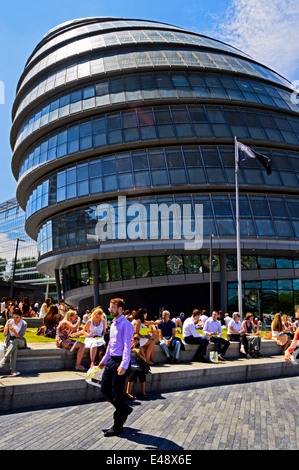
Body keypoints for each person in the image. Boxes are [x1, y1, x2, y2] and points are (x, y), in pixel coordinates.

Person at [99, 298, 134, 437]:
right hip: (111, 361)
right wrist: (104, 360)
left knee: (117, 394)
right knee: (104, 389)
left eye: (113, 308)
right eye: (110, 307)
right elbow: (110, 346)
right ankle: (124, 409)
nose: (110, 310)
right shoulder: (113, 324)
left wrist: (124, 365)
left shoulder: (126, 325)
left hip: (120, 362)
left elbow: (127, 347)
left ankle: (117, 426)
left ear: (120, 309)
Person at [0, 307, 27, 376]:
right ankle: (13, 370)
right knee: (14, 347)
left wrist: (14, 331)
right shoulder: (9, 321)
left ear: (21, 317)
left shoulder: (24, 324)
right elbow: (4, 335)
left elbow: (20, 336)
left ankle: (4, 358)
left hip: (20, 341)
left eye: (17, 317)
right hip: (10, 340)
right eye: (13, 317)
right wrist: (6, 328)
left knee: (16, 341)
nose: (15, 319)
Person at [126, 333, 149, 400]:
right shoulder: (127, 345)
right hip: (128, 364)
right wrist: (130, 348)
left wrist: (138, 354)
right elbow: (123, 355)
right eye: (135, 338)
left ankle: (143, 391)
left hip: (136, 365)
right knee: (135, 371)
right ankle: (128, 392)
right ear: (132, 338)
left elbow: (145, 359)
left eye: (138, 339)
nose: (136, 340)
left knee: (142, 372)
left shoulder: (140, 347)